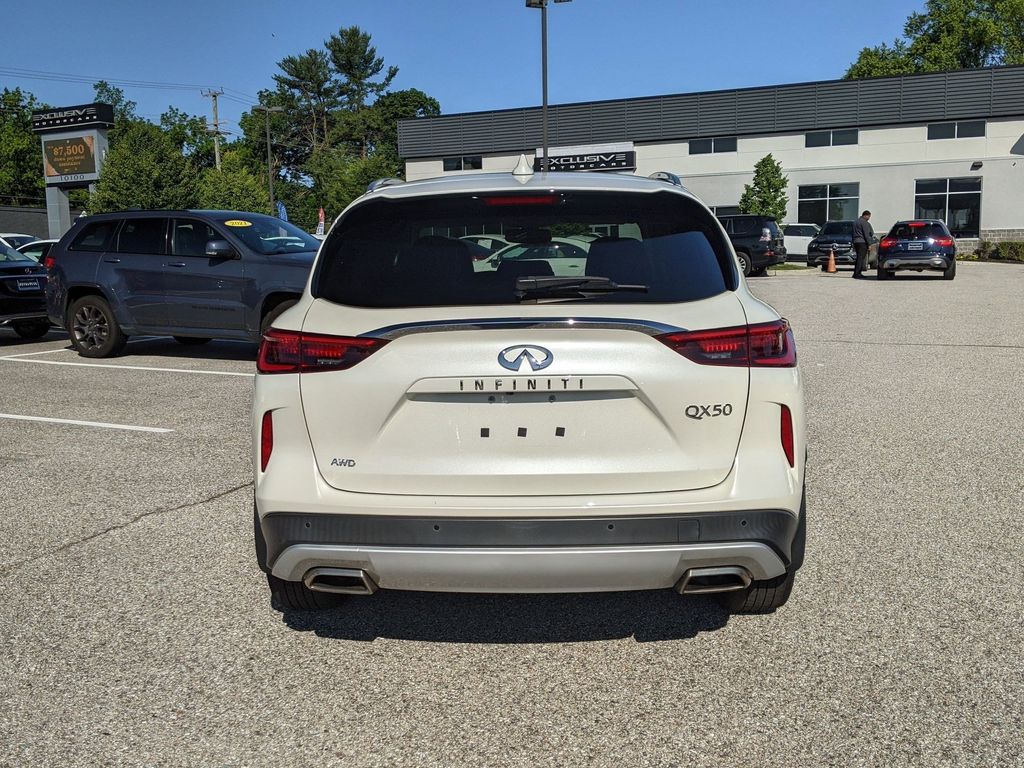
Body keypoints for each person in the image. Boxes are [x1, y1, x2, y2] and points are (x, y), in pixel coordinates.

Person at [852, 210, 874, 279]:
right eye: (869, 216)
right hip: (862, 242)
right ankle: (857, 273)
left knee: (858, 258)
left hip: (855, 241)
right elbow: (866, 234)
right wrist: (869, 244)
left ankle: (856, 273)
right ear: (866, 215)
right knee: (861, 258)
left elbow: (852, 232)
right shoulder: (864, 222)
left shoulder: (855, 222)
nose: (869, 218)